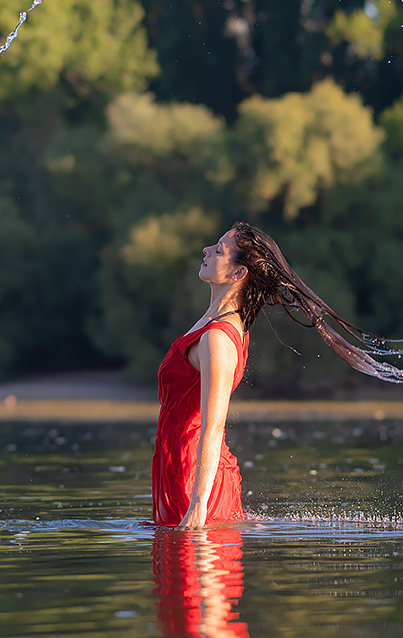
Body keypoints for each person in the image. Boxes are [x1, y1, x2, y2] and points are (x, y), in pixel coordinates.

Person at [152, 221, 383, 528]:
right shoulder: (213, 326)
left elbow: (214, 427)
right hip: (179, 464)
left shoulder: (218, 339)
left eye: (219, 249)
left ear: (238, 274)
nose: (206, 250)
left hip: (194, 474)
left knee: (197, 572)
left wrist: (198, 506)